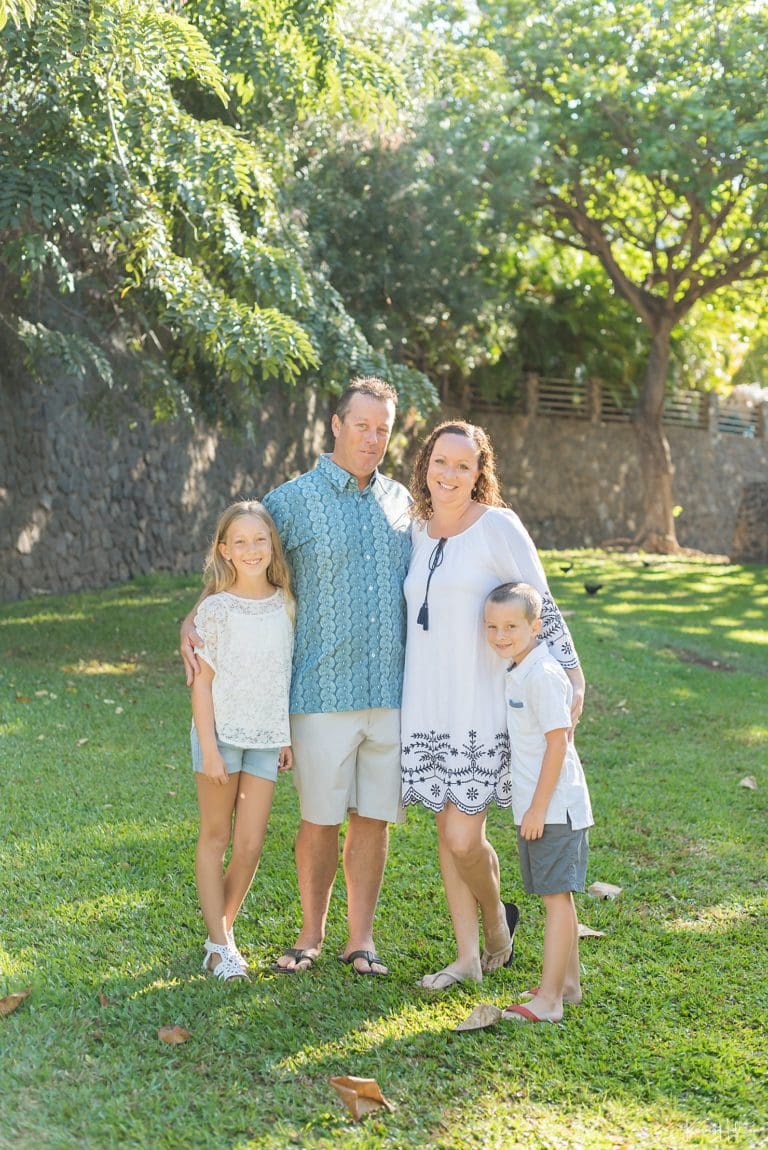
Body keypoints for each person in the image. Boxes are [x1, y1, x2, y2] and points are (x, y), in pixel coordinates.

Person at [180, 378, 411, 975]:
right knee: (320, 820)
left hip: (390, 691)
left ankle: (361, 940)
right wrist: (193, 617)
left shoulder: (403, 503)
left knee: (373, 818)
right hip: (319, 690)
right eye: (361, 425)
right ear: (336, 425)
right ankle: (310, 935)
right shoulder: (289, 501)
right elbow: (243, 558)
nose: (372, 438)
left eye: (382, 429)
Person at [401, 420, 585, 990]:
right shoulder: (416, 529)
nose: (449, 474)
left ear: (480, 472)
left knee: (464, 838)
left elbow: (540, 601)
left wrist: (573, 674)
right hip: (426, 700)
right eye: (440, 461)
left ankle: (497, 924)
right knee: (446, 833)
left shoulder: (498, 525)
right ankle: (466, 956)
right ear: (425, 464)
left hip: (480, 700)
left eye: (463, 465)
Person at [190, 500, 294, 981]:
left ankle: (221, 936)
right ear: (224, 550)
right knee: (217, 836)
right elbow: (202, 684)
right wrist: (209, 748)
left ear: (272, 544)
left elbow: (282, 674)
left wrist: (284, 735)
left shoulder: (286, 603)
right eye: (240, 541)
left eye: (259, 539)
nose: (251, 549)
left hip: (266, 739)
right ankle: (220, 947)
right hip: (221, 737)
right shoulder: (215, 609)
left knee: (250, 843)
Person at [485, 582, 593, 1023]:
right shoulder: (520, 668)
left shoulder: (543, 675)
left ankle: (549, 1001)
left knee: (555, 900)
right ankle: (568, 986)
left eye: (511, 626)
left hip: (553, 809)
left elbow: (558, 744)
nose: (500, 635)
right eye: (492, 626)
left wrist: (537, 808)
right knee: (555, 896)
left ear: (536, 626)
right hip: (540, 806)